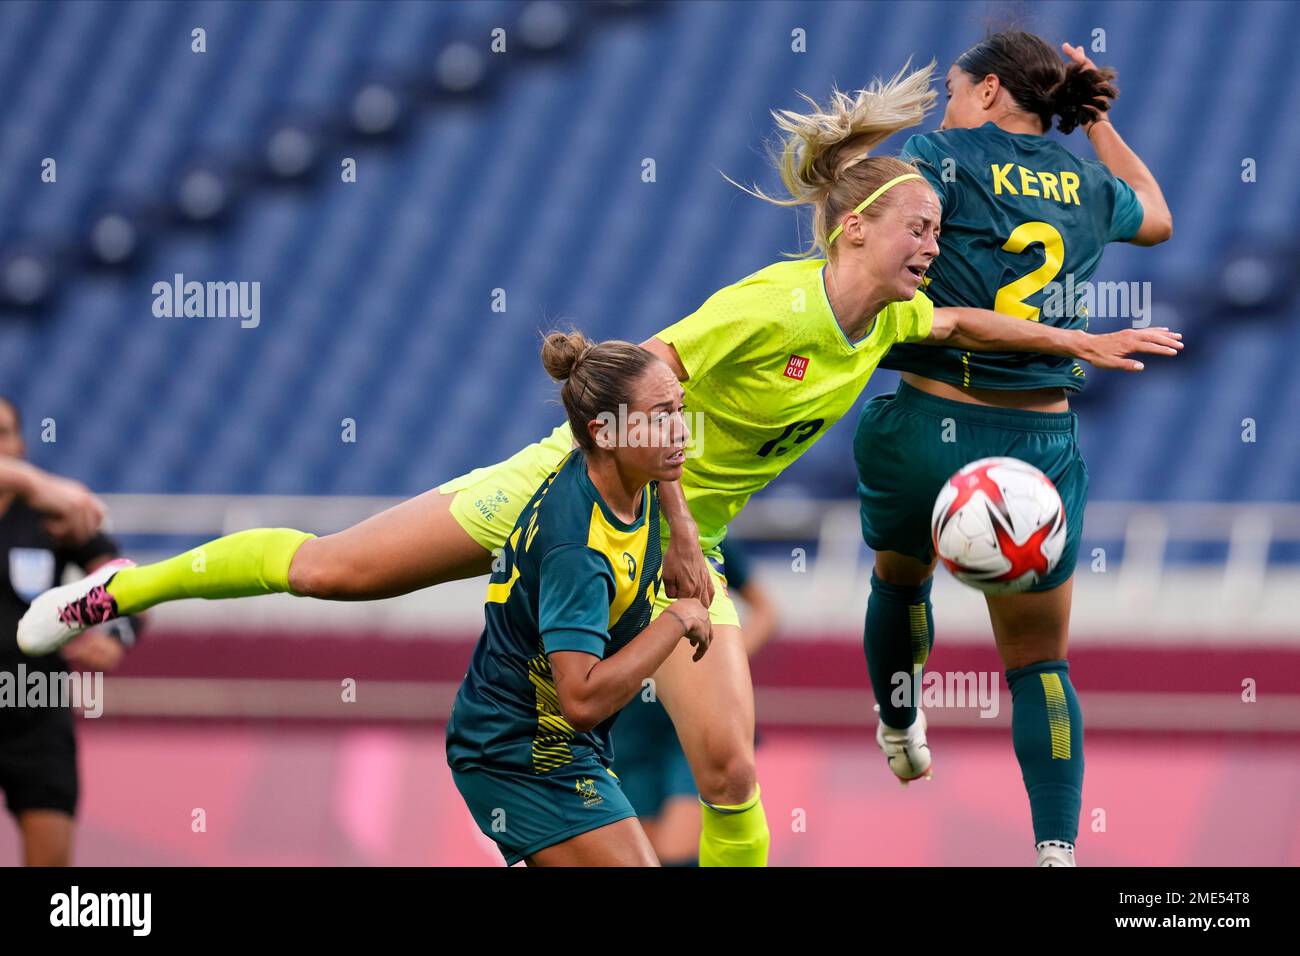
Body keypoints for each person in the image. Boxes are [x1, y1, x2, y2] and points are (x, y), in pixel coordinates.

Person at [19, 62, 1180, 867]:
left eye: (936, 234)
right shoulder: (766, 309)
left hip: (682, 541)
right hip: (575, 493)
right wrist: (678, 520)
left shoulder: (883, 320)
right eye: (922, 230)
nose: (938, 246)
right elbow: (646, 387)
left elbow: (968, 327)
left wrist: (1075, 338)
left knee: (728, 765)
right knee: (331, 573)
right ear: (854, 232)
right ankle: (124, 583)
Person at [855, 34, 1175, 866]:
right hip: (1038, 442)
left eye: (955, 92)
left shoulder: (939, 154)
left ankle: (898, 722)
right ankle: (1058, 848)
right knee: (1038, 662)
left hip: (930, 418)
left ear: (989, 89)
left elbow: (876, 220)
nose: (948, 108)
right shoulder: (1091, 184)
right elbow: (1160, 213)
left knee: (898, 576)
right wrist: (1097, 122)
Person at [447, 330, 709, 866]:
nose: (682, 431)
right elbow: (582, 701)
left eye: (680, 410)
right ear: (604, 432)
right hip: (517, 753)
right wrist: (678, 619)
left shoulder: (620, 473)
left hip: (552, 745)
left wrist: (682, 526)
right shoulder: (579, 551)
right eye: (662, 416)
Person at [0, 396, 136, 865]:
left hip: (35, 706)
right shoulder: (54, 494)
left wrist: (116, 637)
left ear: (20, 442)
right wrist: (42, 484)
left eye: (3, 434)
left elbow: (123, 585)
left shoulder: (53, 517)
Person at [612, 536, 777, 866]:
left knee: (678, 849)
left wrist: (717, 670)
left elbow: (766, 612)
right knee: (646, 855)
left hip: (691, 723)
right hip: (626, 724)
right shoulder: (599, 529)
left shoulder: (695, 532)